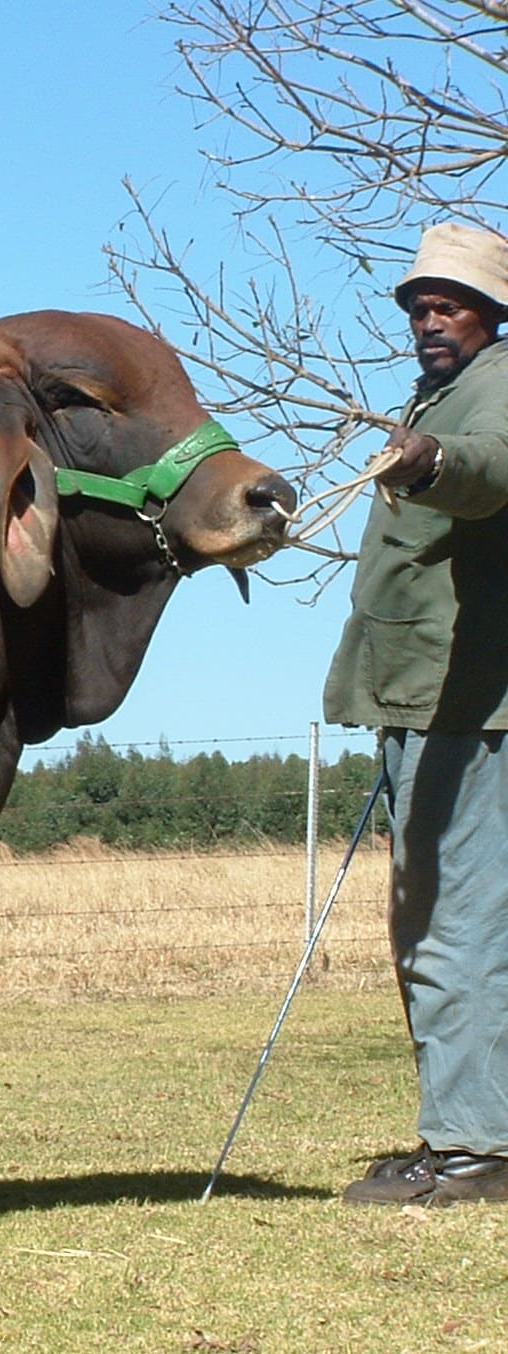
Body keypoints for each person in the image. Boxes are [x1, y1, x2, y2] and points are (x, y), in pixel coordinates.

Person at [325, 222, 508, 1205]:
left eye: (450, 305)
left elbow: (489, 469)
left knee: (452, 926)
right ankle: (468, 1136)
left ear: (490, 311)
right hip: (426, 700)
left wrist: (433, 462)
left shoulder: (495, 388)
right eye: (418, 307)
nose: (429, 321)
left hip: (467, 708)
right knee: (440, 923)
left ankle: (475, 1154)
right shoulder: (437, 393)